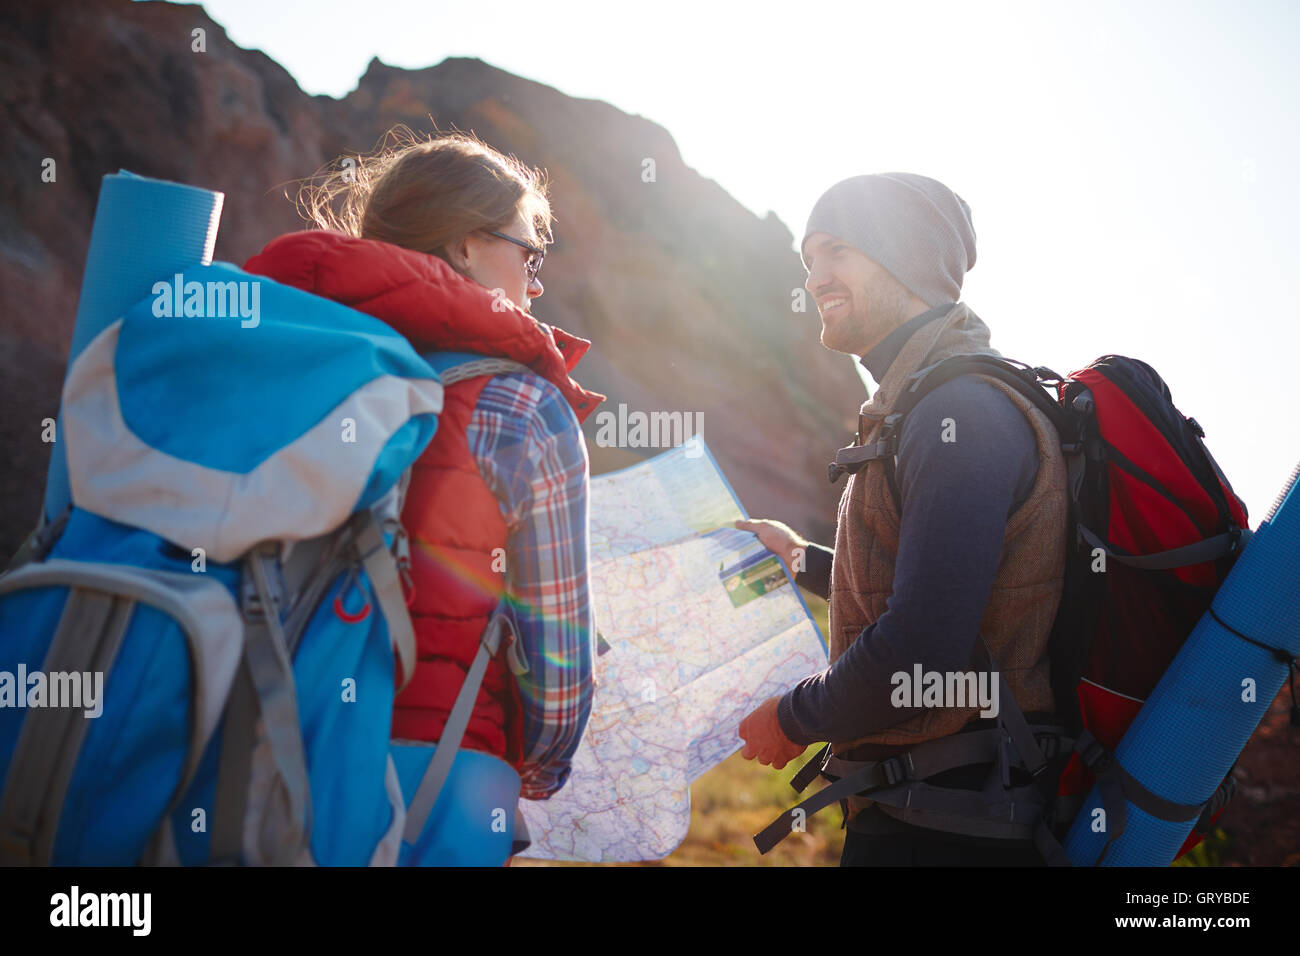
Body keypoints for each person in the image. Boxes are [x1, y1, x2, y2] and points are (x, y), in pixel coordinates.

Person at [243, 128, 604, 851]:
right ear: (467, 246)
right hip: (438, 779)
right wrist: (541, 768)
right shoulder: (523, 407)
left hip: (251, 754)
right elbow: (558, 664)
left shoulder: (273, 357)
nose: (537, 285)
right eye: (530, 254)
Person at [736, 173, 1069, 866]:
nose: (815, 277)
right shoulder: (930, 402)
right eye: (808, 260)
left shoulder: (958, 412)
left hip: (951, 832)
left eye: (836, 251)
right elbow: (931, 589)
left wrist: (792, 719)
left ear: (905, 255)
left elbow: (921, 648)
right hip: (937, 812)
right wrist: (799, 558)